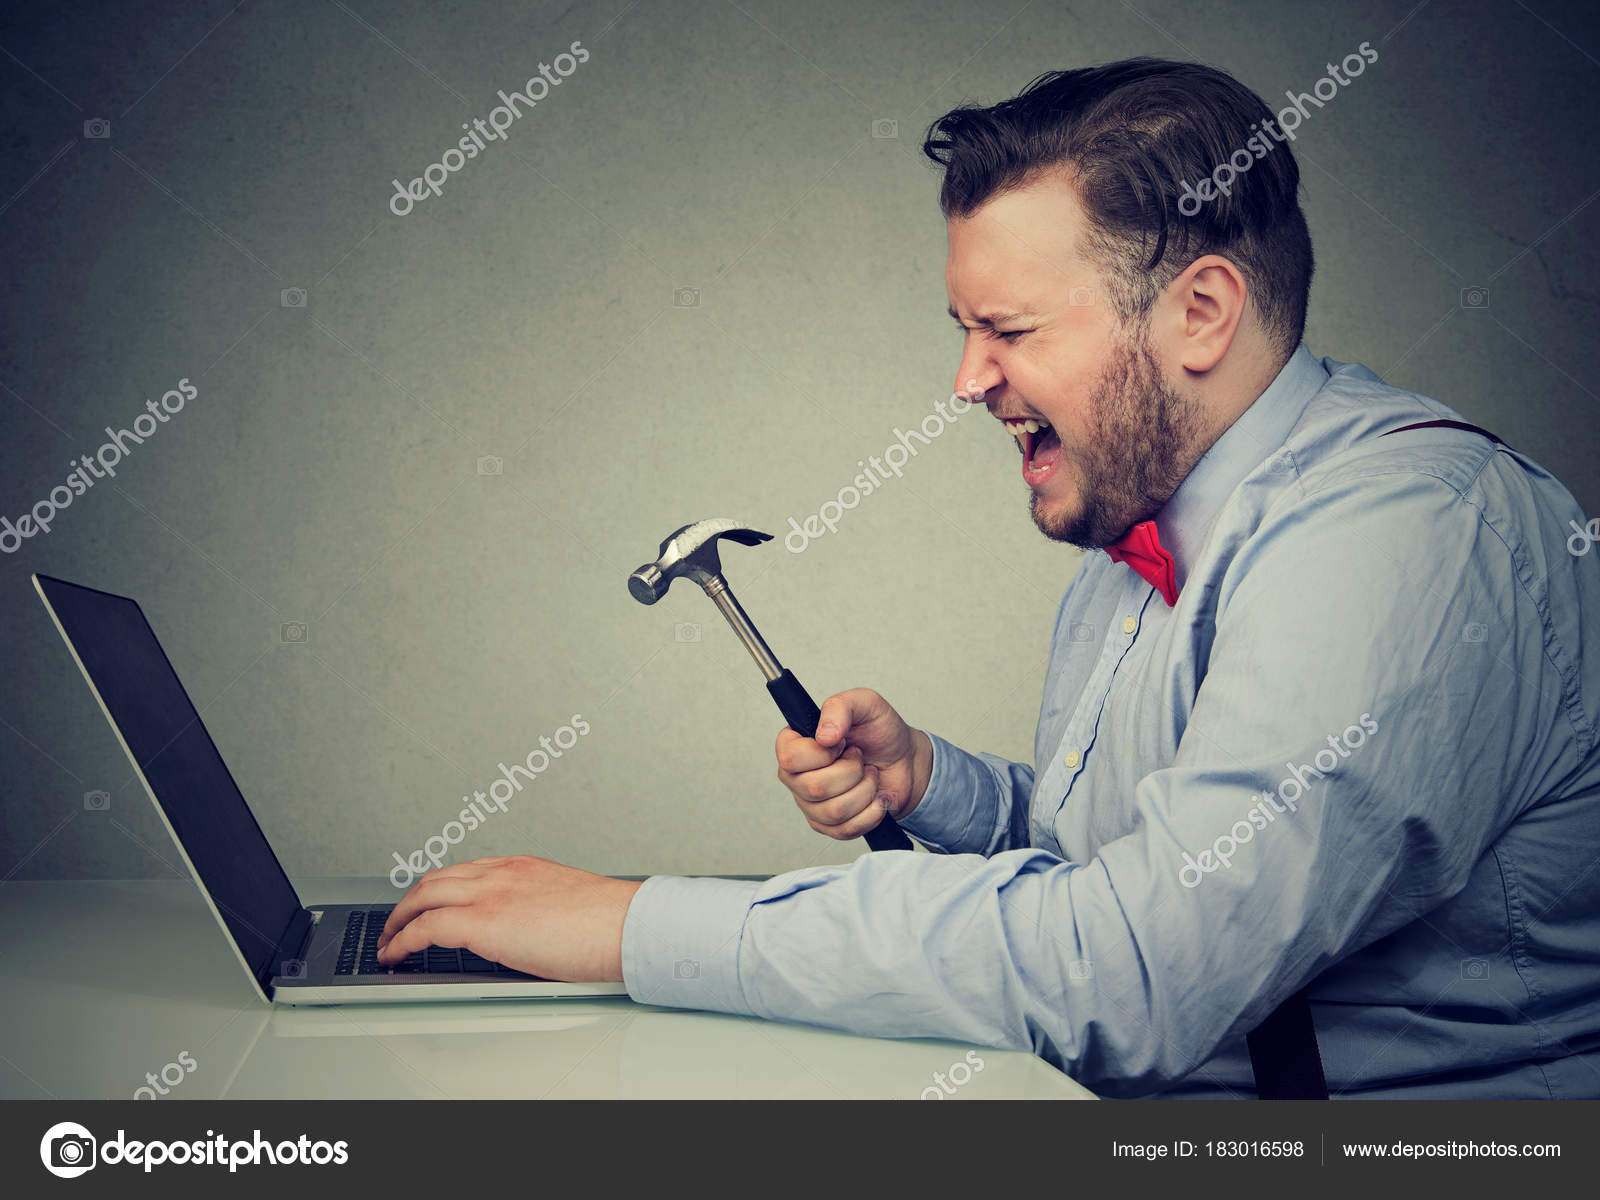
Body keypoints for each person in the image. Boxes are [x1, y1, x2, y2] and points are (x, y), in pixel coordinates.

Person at [378, 59, 1600, 1098]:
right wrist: (935, 788)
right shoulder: (1137, 524)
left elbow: (1136, 972)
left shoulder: (1406, 541)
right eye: (964, 331)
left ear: (1201, 313)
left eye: (1008, 332)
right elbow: (1128, 861)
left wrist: (636, 925)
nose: (966, 382)